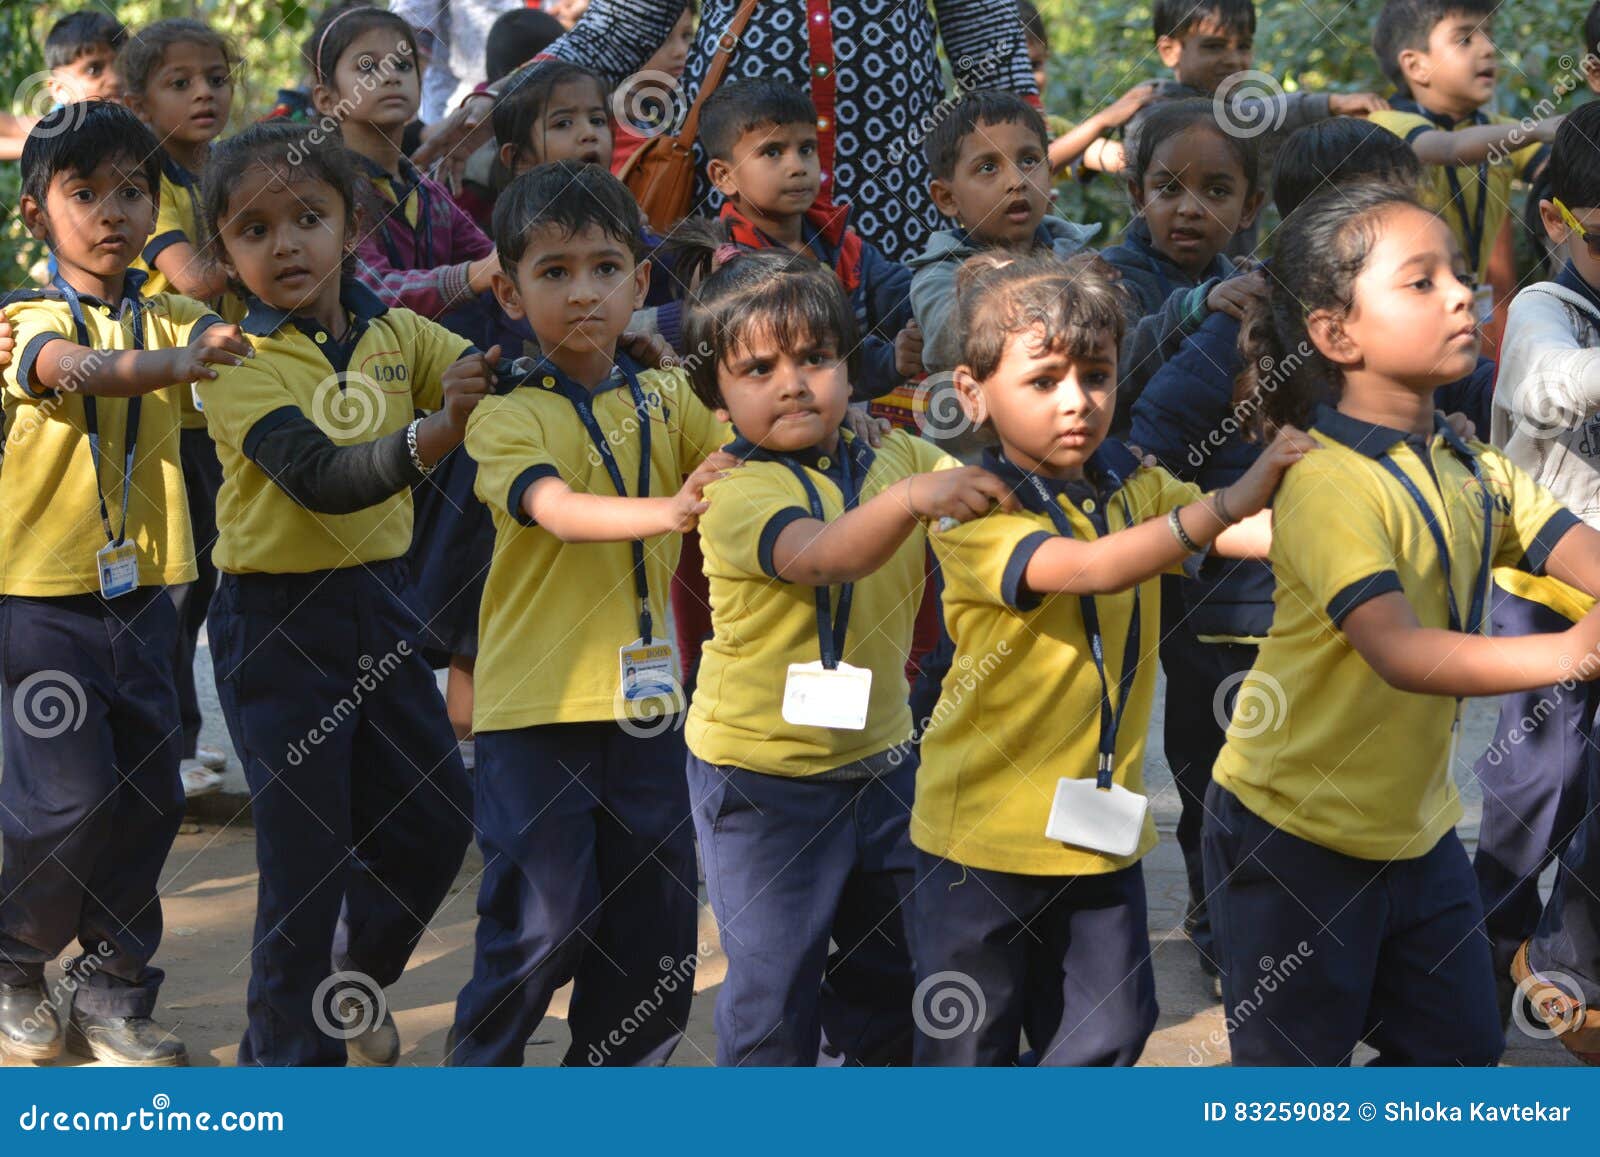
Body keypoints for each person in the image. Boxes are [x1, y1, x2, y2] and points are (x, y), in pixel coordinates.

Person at [1205, 182, 1600, 1066]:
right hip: (1292, 841)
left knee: (1459, 1053)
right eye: (1421, 283)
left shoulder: (1473, 463)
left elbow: (1575, 546)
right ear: (1335, 333)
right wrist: (1574, 648)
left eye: (1457, 275)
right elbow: (1400, 651)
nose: (1462, 293)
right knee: (1292, 1089)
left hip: (1418, 839)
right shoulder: (1324, 481)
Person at [911, 252, 1313, 1066]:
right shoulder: (975, 506)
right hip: (979, 841)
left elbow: (1234, 534)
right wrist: (1232, 497)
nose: (1078, 402)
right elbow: (1088, 567)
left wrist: (1337, 525)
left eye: (1096, 376)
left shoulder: (1129, 479)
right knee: (967, 1050)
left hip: (1099, 831)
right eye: (1044, 380)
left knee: (1115, 1025)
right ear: (971, 392)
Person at [1129, 116, 1492, 990]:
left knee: (1324, 776)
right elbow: (1151, 450)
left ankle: (1342, 940)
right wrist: (1230, 519)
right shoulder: (1239, 324)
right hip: (1231, 616)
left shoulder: (1398, 338)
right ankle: (1228, 934)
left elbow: (1461, 420)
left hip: (1336, 618)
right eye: (1381, 216)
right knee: (1220, 778)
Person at [681, 249, 1014, 1065]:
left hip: (884, 764)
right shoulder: (735, 492)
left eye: (816, 358)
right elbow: (823, 555)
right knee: (774, 987)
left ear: (848, 364)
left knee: (891, 976)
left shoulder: (891, 452)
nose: (793, 382)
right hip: (763, 784)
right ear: (716, 395)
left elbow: (980, 498)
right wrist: (911, 498)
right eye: (758, 368)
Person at [198, 121, 480, 1066]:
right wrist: (437, 434)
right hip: (276, 627)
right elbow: (321, 476)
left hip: (383, 606)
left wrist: (525, 368)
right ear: (222, 252)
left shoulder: (397, 332)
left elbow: (489, 378)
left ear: (351, 224)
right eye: (254, 228)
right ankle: (284, 1067)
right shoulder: (238, 360)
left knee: (440, 822)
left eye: (307, 218)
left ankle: (349, 977)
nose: (285, 244)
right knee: (304, 867)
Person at [447, 163, 733, 1066]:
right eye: (555, 271)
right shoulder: (503, 416)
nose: (584, 293)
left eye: (607, 268)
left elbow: (743, 463)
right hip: (534, 712)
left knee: (656, 922)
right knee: (542, 920)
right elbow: (557, 511)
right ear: (508, 289)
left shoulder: (664, 393)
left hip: (652, 709)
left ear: (642, 284)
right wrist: (672, 510)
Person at [0, 102, 250, 1066]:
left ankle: (110, 989)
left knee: (148, 795)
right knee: (62, 798)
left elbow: (247, 331)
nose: (114, 211)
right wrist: (174, 364)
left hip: (149, 596)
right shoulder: (28, 321)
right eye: (85, 192)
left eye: (134, 191)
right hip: (39, 603)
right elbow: (80, 368)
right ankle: (17, 958)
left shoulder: (181, 311)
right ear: (35, 215)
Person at [416, 0, 1040, 264]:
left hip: (897, 215)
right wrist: (496, 101)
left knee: (899, 421)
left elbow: (992, 54)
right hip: (741, 220)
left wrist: (1023, 185)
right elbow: (616, 29)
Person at [1479, 101, 1600, 1037]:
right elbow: (1541, 388)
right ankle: (1479, 960)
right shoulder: (1543, 309)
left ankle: (1567, 958)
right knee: (1536, 793)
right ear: (1558, 221)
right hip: (1546, 600)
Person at [120, 17, 242, 797]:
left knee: (201, 582)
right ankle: (155, 750)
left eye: (217, 79)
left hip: (215, 415)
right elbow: (195, 278)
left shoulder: (221, 171)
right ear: (138, 104)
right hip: (160, 413)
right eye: (180, 82)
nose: (204, 93)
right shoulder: (144, 181)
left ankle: (176, 742)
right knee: (166, 586)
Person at [702, 79, 923, 402]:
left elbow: (901, 294)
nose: (797, 167)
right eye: (772, 152)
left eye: (806, 149)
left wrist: (942, 295)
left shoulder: (837, 241)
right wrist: (892, 361)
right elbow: (807, 356)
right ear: (724, 176)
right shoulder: (730, 265)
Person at [907, 90, 1100, 417]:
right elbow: (949, 343)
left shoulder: (1078, 251)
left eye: (1029, 161)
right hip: (980, 457)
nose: (1016, 181)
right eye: (987, 167)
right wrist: (1068, 286)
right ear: (946, 198)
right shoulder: (937, 276)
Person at [1368, 0, 1561, 305]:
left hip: (1463, 302)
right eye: (1465, 39)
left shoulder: (1499, 128)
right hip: (1402, 306)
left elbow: (1559, 166)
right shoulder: (1387, 124)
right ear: (1416, 66)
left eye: (1488, 34)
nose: (1487, 49)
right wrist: (1538, 129)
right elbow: (1450, 149)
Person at [1099, 98, 1263, 432]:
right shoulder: (1109, 279)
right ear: (1139, 197)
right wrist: (1192, 309)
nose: (1190, 208)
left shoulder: (1233, 278)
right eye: (1169, 188)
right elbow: (1108, 376)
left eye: (1217, 191)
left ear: (1248, 208)